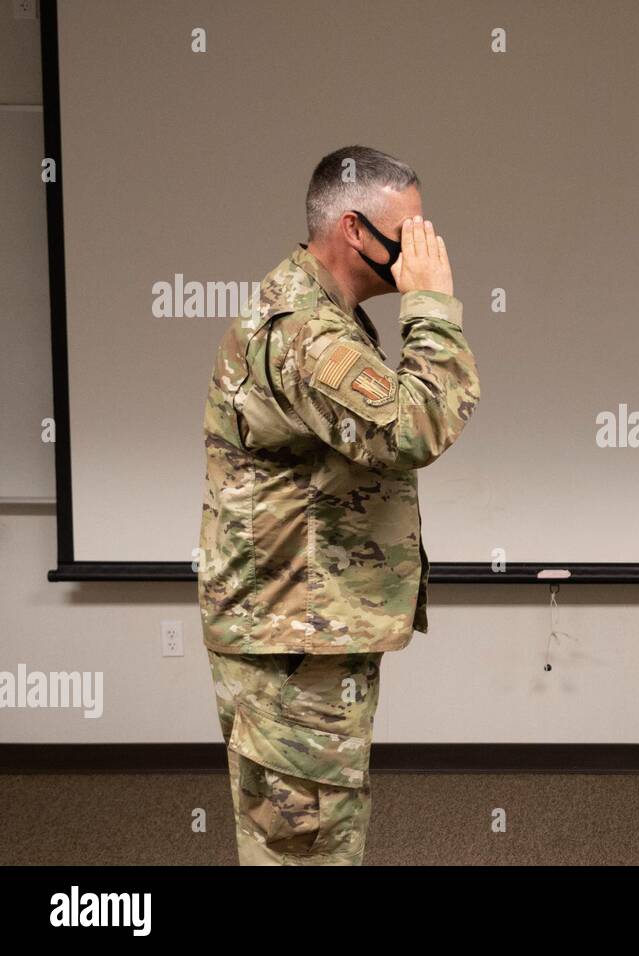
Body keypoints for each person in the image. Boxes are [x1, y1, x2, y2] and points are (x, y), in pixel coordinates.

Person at [196, 145, 479, 864]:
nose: (423, 250)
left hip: (302, 633)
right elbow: (413, 428)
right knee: (304, 849)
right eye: (410, 232)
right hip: (292, 644)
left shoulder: (325, 313)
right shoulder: (306, 332)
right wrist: (432, 307)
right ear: (356, 230)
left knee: (314, 835)